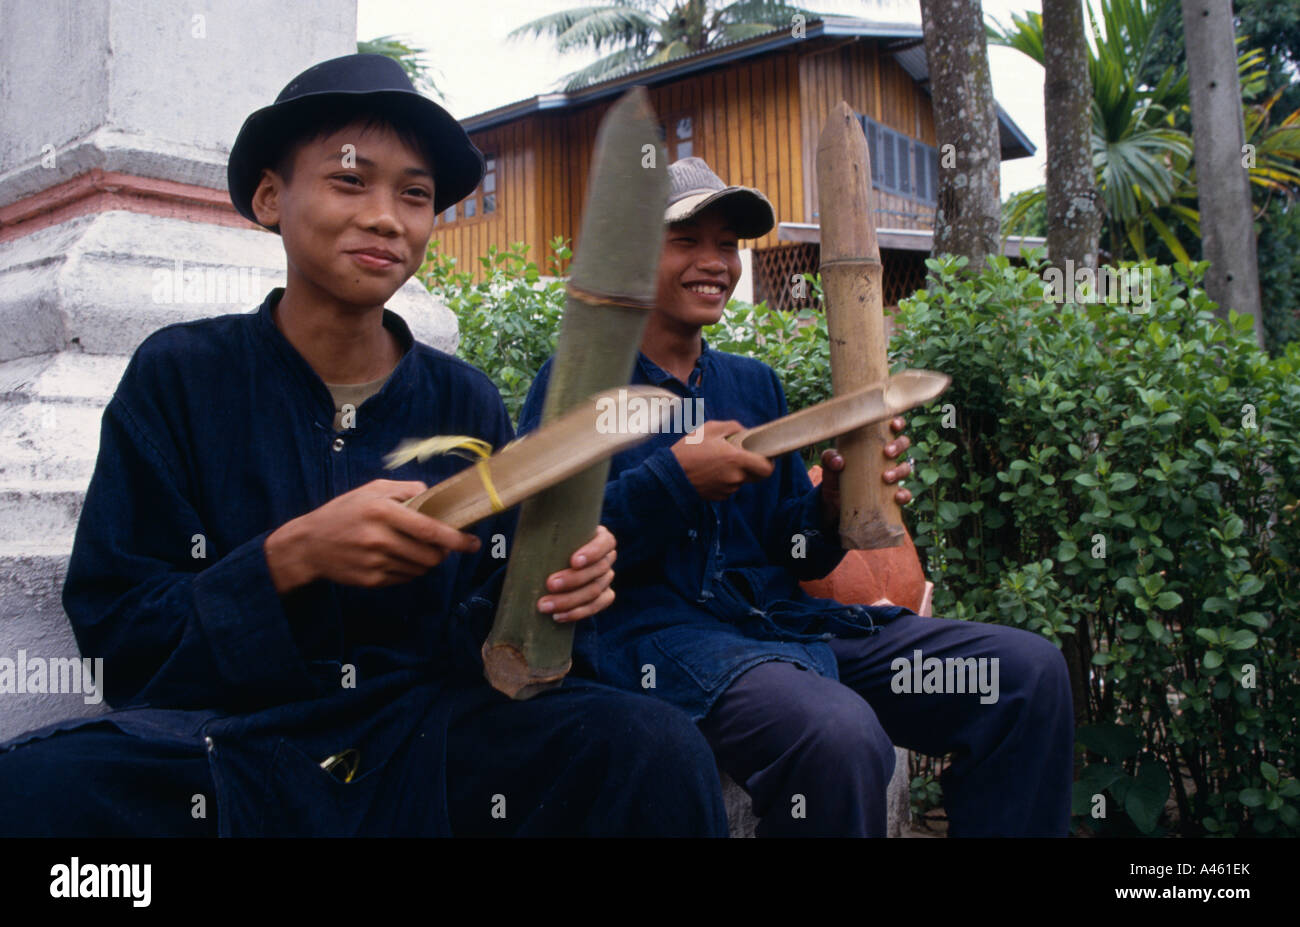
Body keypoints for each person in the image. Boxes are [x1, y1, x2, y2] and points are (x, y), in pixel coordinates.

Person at [0, 56, 726, 838]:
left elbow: (486, 624)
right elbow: (120, 636)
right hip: (232, 743)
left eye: (414, 194)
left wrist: (557, 587)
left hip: (422, 731)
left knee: (650, 746)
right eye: (351, 181)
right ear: (272, 195)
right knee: (36, 791)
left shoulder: (462, 399)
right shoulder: (180, 375)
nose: (387, 216)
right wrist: (287, 558)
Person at [519, 156, 1074, 837]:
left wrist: (833, 501)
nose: (714, 262)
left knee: (1025, 674)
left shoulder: (755, 385)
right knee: (837, 735)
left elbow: (798, 552)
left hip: (783, 631)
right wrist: (676, 482)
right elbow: (544, 555)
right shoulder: (576, 384)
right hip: (655, 646)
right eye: (686, 240)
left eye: (727, 244)